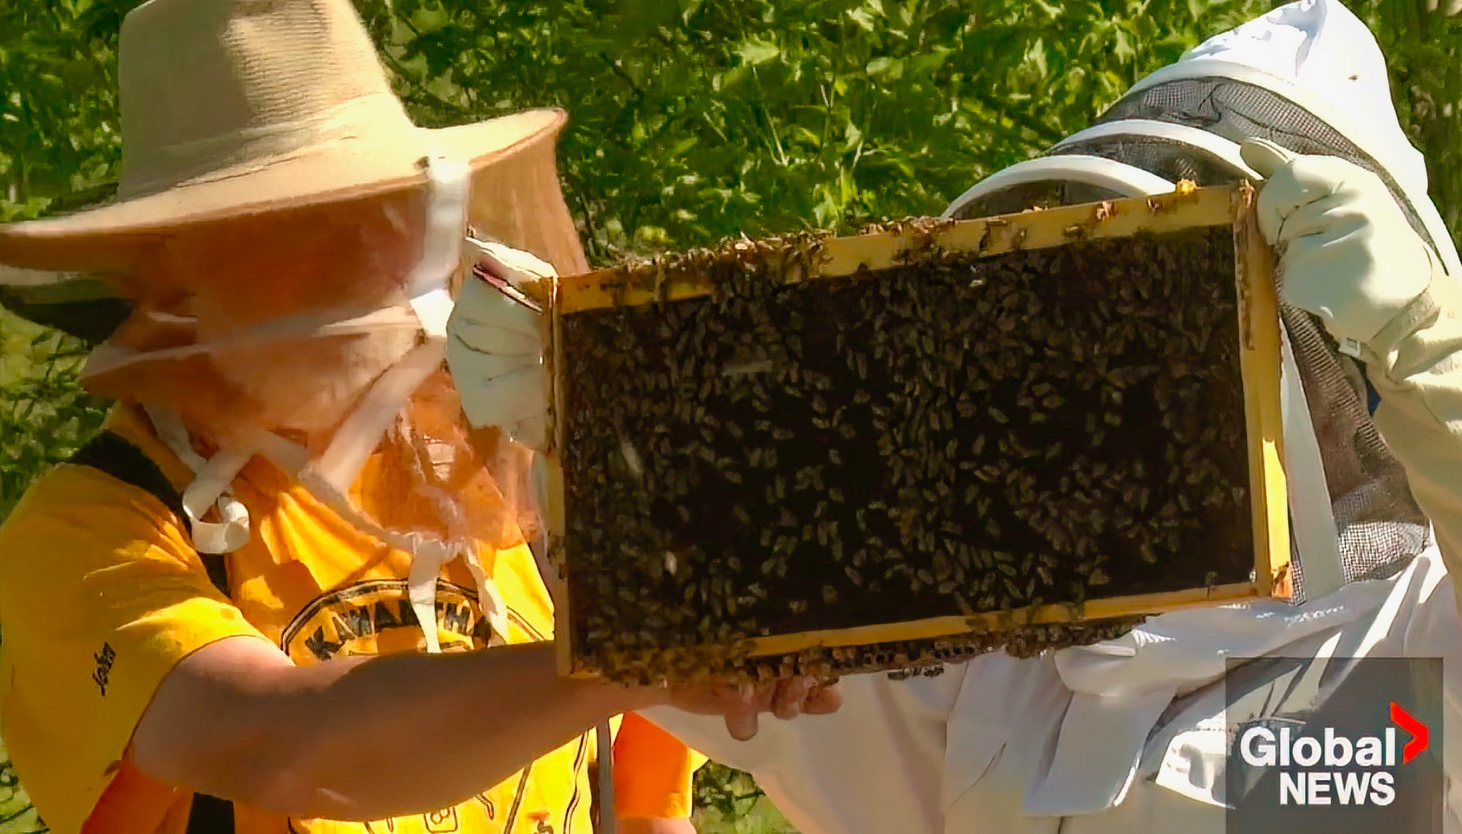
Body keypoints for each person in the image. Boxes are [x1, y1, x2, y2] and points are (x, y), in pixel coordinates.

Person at [449, 1, 1462, 833]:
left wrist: (1442, 362)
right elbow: (721, 608)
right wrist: (599, 427)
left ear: (1334, 369)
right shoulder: (996, 680)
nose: (1131, 382)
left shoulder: (1418, 656)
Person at [0, 1, 841, 833]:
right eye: (305, 231)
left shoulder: (506, 474)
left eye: (390, 210)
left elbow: (643, 807)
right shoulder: (87, 532)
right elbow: (283, 748)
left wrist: (688, 659)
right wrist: (632, 664)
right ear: (176, 277)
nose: (373, 258)